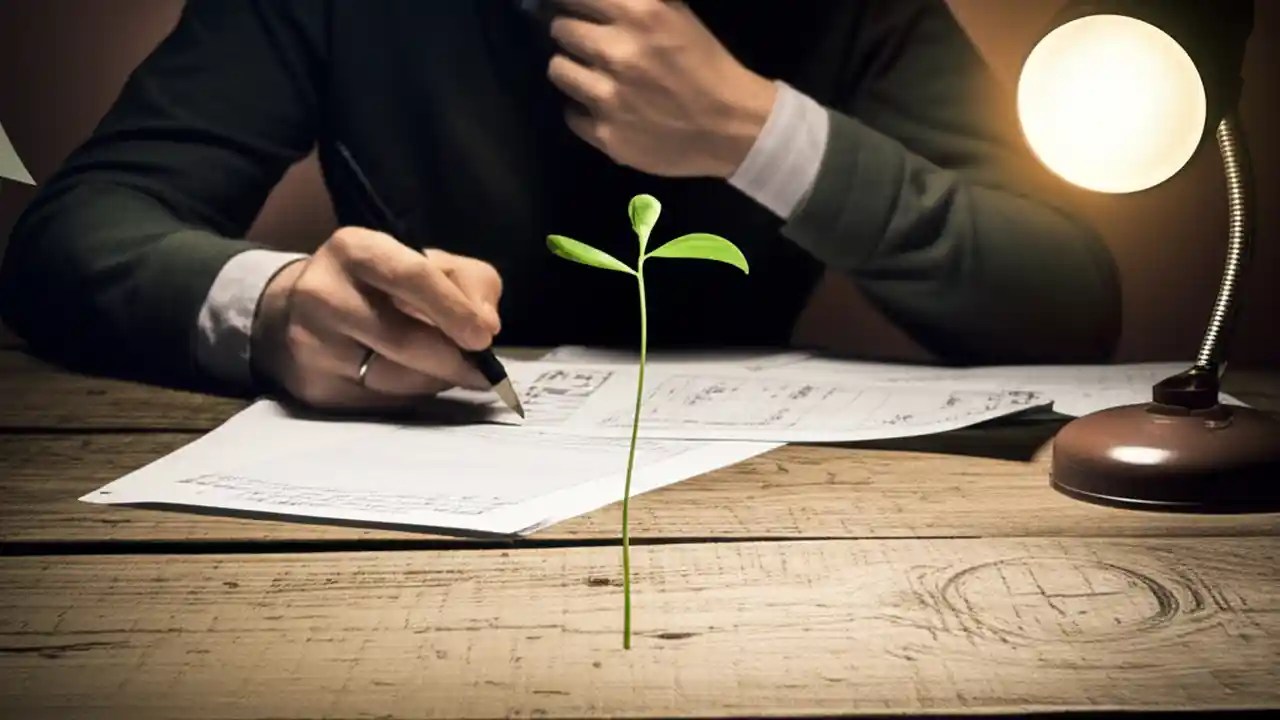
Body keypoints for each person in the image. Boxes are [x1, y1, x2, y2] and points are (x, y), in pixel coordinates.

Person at [0, 0, 1120, 411]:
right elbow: (72, 231)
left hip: (759, 521)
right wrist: (275, 304)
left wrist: (756, 130)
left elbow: (1063, 306)